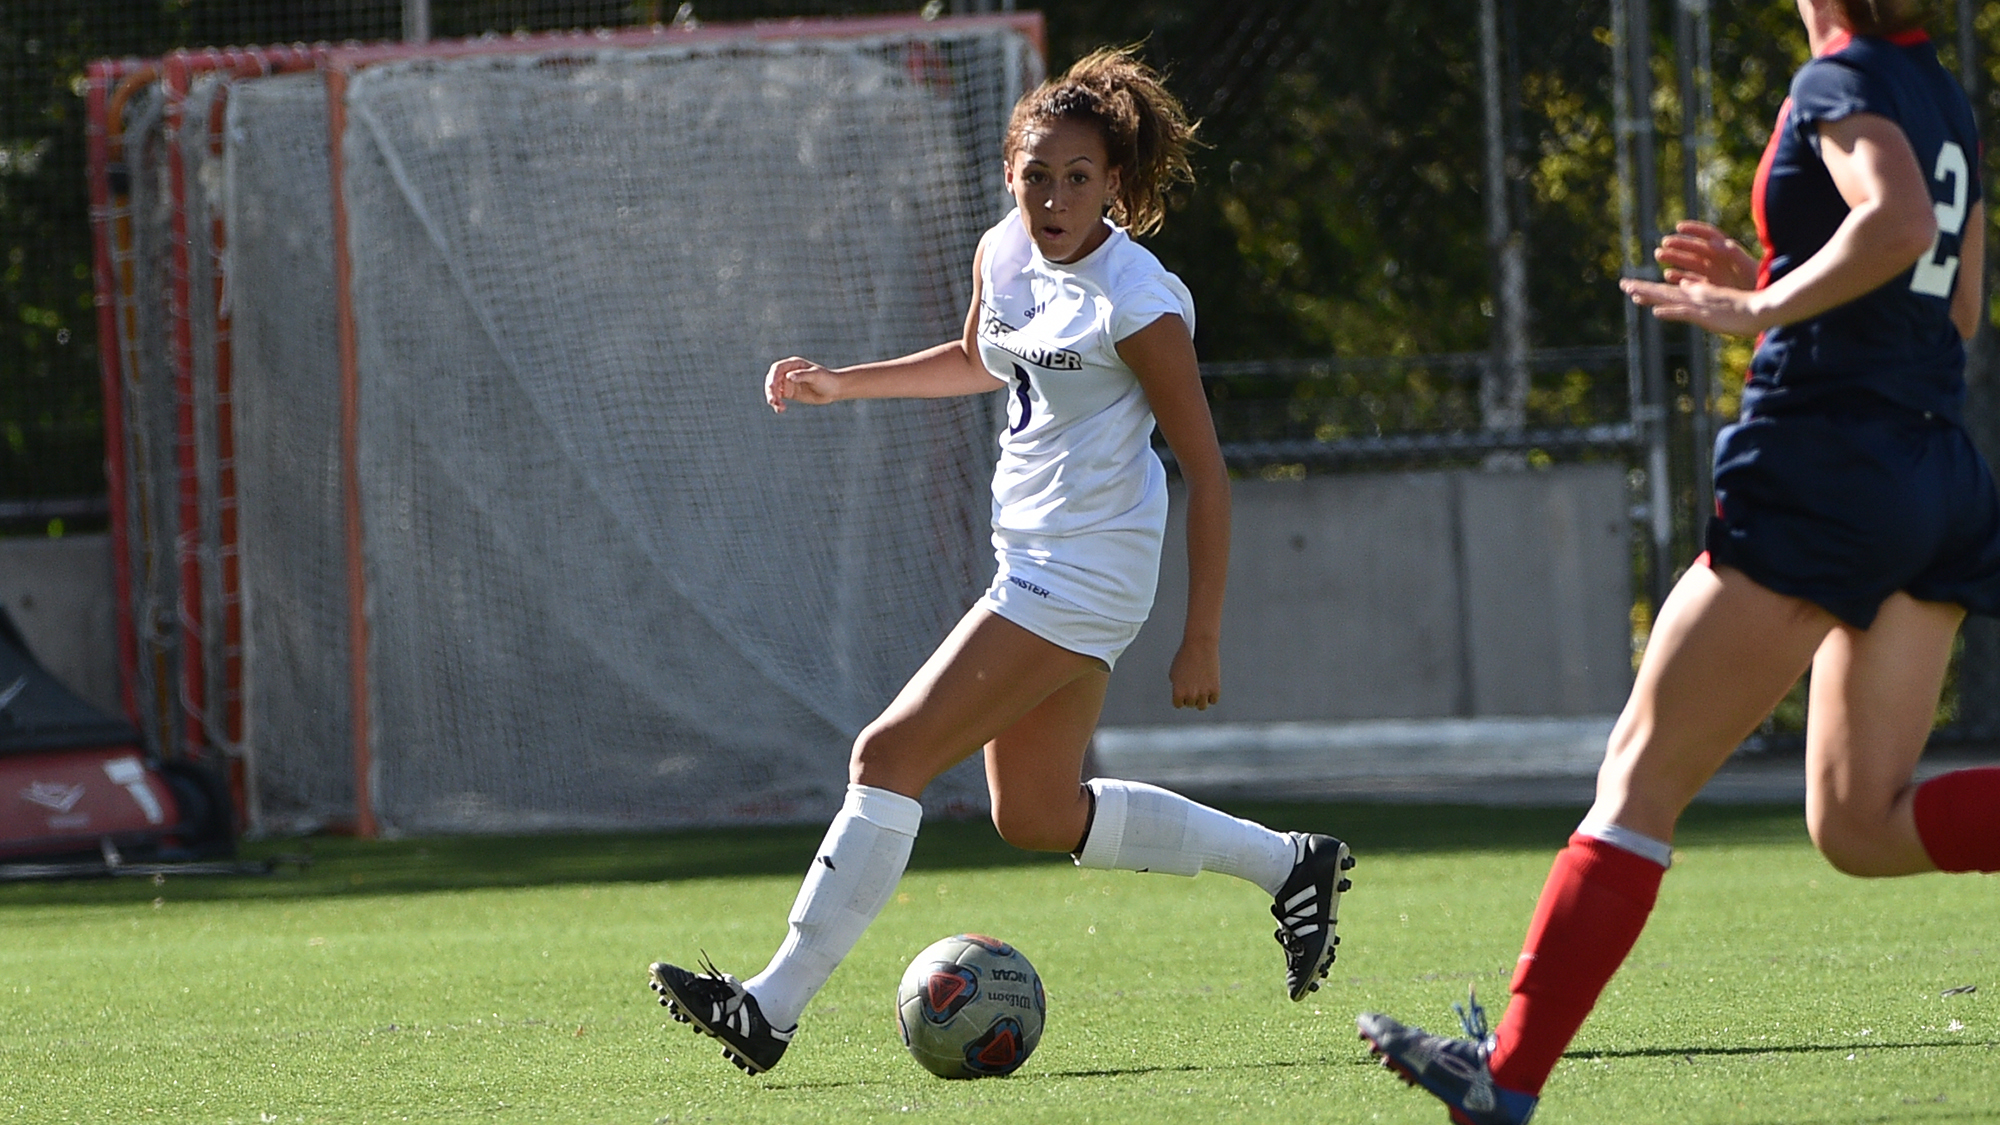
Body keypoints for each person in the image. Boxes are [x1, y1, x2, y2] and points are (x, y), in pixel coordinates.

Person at [647, 46, 1356, 1076]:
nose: (1055, 196)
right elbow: (979, 359)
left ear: (1113, 184)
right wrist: (840, 386)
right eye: (1037, 175)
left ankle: (771, 1007)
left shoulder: (1138, 300)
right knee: (1031, 815)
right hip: (1028, 560)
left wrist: (1199, 634)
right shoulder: (1003, 254)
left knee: (884, 757)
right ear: (1008, 175)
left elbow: (1209, 471)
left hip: (1085, 571)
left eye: (1078, 177)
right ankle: (1288, 864)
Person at [1358, 1, 2000, 1121]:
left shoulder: (1834, 82)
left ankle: (1500, 1081)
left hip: (1823, 471)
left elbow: (1893, 226)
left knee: (1638, 780)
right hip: (1929, 473)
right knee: (1856, 824)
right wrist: (1778, 283)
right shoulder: (1940, 94)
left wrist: (1754, 302)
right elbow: (1949, 314)